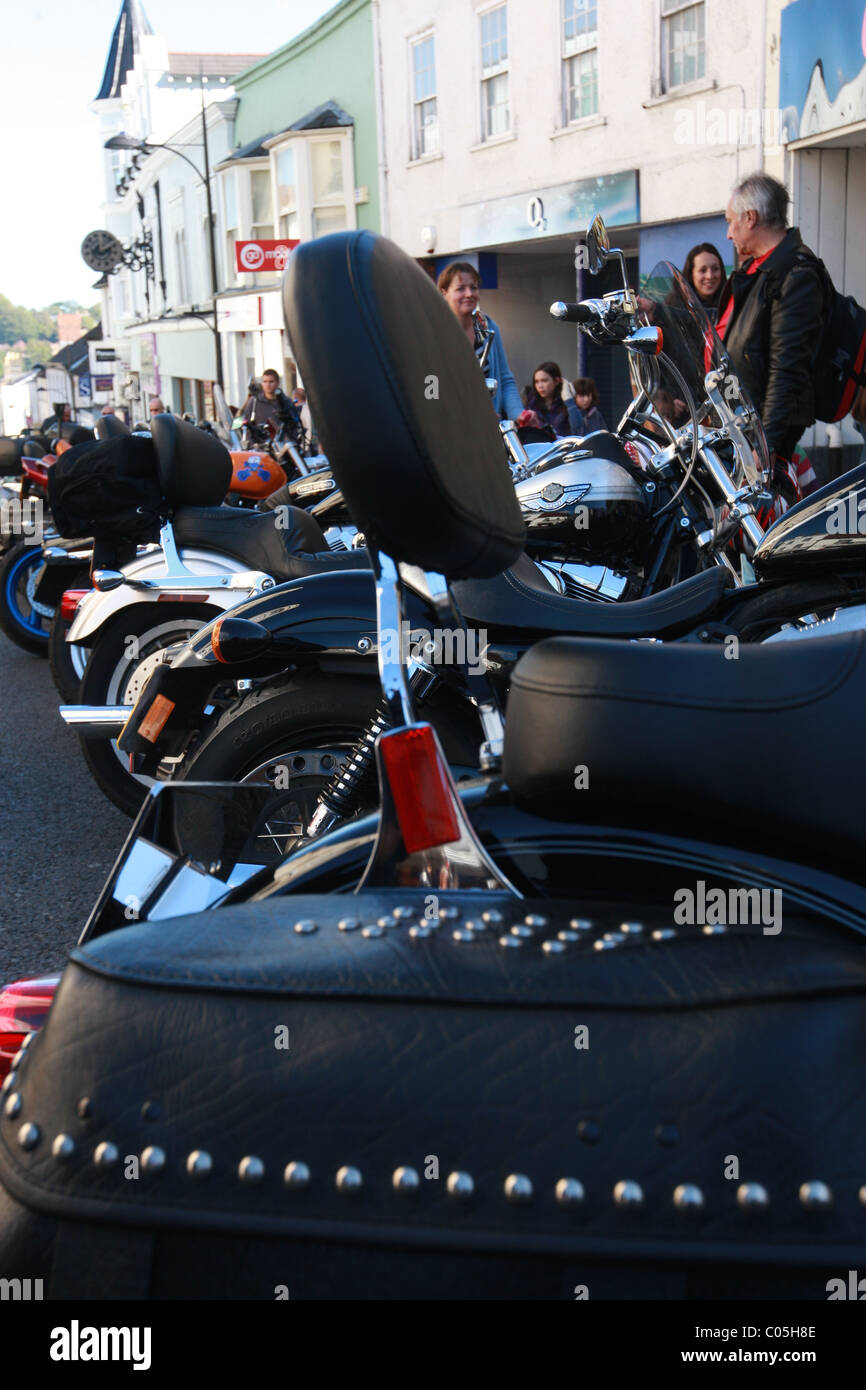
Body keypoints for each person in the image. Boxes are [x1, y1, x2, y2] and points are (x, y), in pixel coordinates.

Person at [716, 172, 827, 503]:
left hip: (759, 442)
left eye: (731, 222)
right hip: (740, 431)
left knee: (758, 544)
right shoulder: (760, 270)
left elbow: (786, 370)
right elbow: (727, 335)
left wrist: (765, 450)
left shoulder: (795, 274)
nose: (728, 233)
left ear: (750, 218)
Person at [437, 261, 529, 422]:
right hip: (448, 430)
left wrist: (519, 415)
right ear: (444, 293)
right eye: (460, 289)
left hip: (490, 430)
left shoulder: (487, 327)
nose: (469, 294)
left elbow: (504, 380)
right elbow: (429, 390)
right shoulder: (434, 332)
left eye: (473, 287)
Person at [523, 361, 583, 436]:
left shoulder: (567, 403)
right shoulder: (531, 404)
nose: (540, 386)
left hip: (563, 446)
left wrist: (568, 399)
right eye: (536, 382)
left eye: (544, 381)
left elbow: (579, 430)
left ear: (556, 381)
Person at [682, 243, 727, 323]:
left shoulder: (731, 304)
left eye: (715, 269)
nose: (710, 276)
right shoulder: (674, 308)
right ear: (690, 274)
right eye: (702, 270)